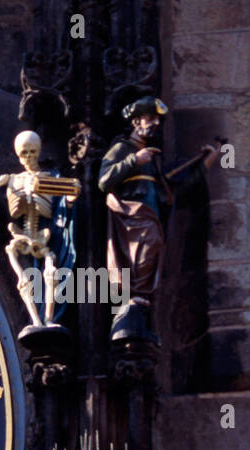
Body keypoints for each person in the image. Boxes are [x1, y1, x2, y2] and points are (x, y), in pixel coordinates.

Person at [99, 96, 220, 343]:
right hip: (131, 218)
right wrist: (135, 160)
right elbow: (103, 180)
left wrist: (206, 163)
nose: (155, 124)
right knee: (142, 253)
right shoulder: (122, 148)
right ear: (136, 122)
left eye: (158, 120)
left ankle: (139, 301)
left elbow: (172, 190)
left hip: (151, 215)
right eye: (150, 118)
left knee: (152, 251)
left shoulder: (153, 157)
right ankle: (131, 301)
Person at [0, 131, 77, 334]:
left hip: (43, 236)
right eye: (24, 154)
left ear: (38, 153)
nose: (28, 158)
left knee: (52, 273)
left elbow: (66, 201)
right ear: (18, 156)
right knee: (23, 280)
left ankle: (48, 318)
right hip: (20, 235)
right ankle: (36, 321)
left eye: (32, 152)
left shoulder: (51, 178)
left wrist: (72, 198)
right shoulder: (12, 178)